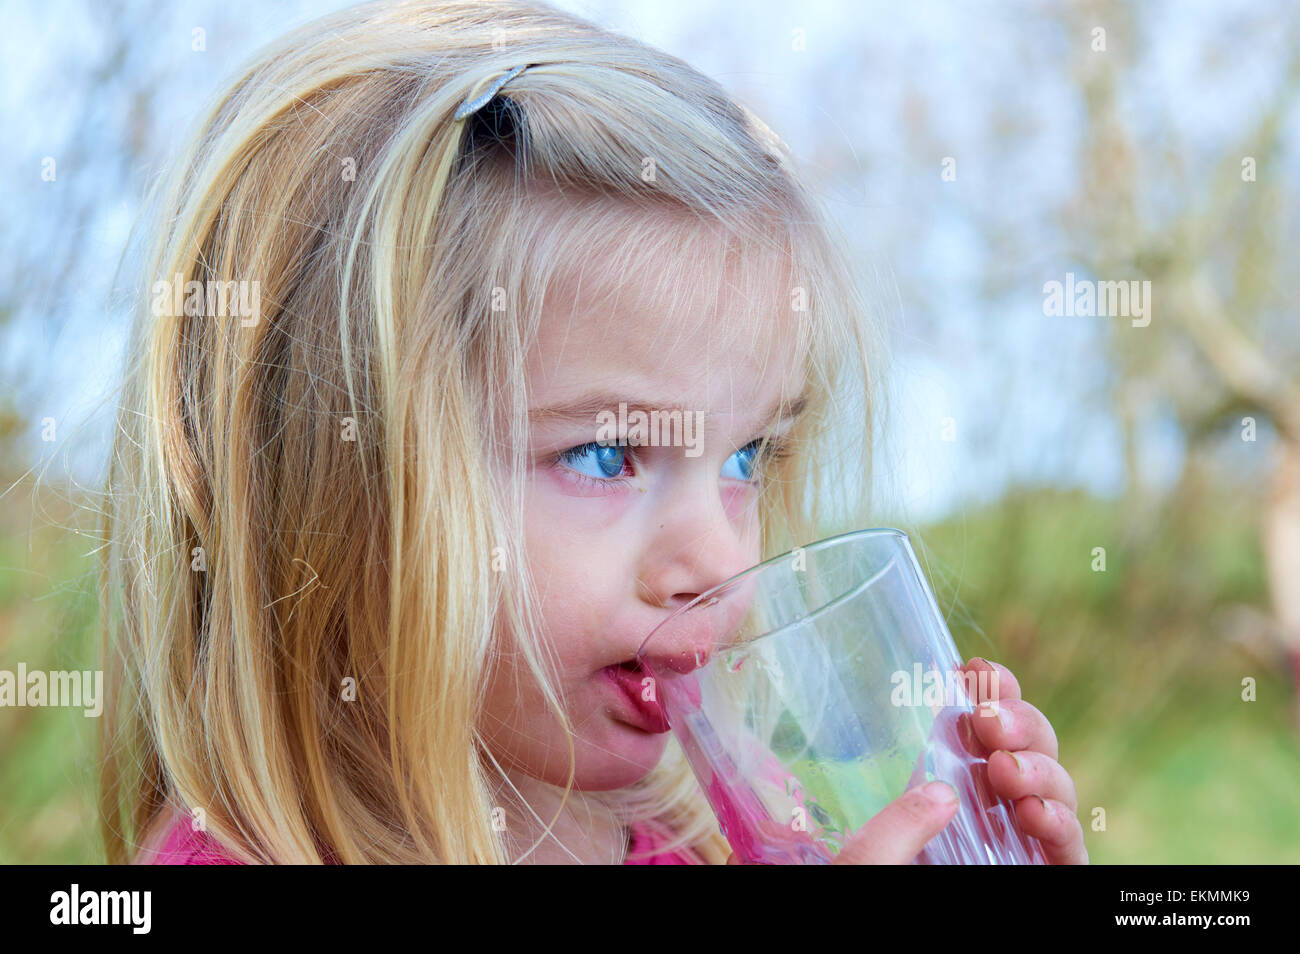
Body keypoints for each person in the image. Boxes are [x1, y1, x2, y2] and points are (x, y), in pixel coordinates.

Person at [101, 0, 1087, 865]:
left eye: (748, 456)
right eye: (606, 456)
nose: (719, 559)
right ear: (336, 484)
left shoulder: (726, 836)